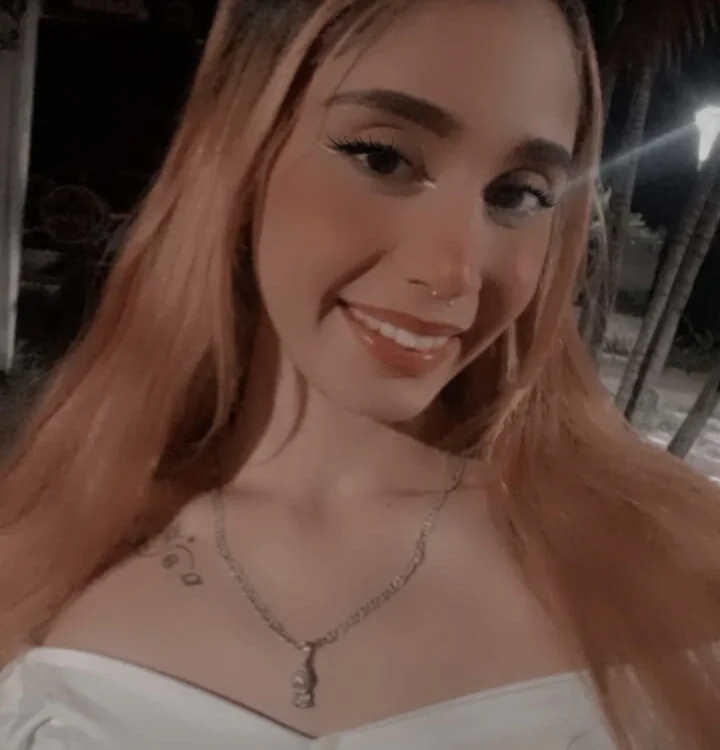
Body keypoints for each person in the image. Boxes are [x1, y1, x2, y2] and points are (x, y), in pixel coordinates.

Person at [1, 0, 719, 747]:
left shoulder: (671, 562)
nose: (454, 272)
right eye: (383, 158)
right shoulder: (46, 550)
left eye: (518, 194)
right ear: (240, 148)